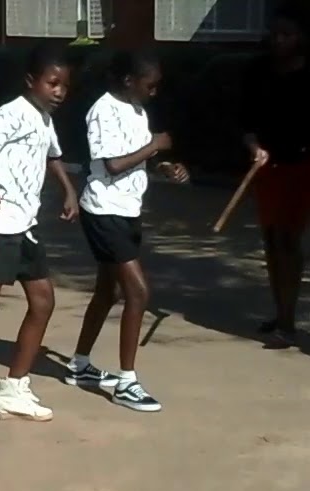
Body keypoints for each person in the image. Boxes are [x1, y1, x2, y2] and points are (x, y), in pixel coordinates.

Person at [0, 42, 78, 432]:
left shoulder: (43, 118)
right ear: (31, 81)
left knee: (42, 302)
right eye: (52, 83)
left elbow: (52, 155)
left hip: (25, 227)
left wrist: (68, 188)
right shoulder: (11, 114)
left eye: (64, 86)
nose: (59, 91)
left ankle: (13, 387)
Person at [68, 51, 188, 413]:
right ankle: (126, 382)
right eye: (149, 85)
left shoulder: (138, 110)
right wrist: (155, 144)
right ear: (127, 81)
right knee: (138, 292)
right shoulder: (102, 111)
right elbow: (112, 164)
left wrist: (165, 166)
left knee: (108, 291)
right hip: (104, 211)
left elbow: (135, 160)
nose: (154, 92)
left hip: (127, 209)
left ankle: (79, 364)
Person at [242, 4, 310, 346]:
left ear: (302, 38)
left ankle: (288, 318)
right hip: (267, 165)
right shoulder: (258, 70)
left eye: (287, 35)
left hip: (306, 164)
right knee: (270, 238)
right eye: (275, 34)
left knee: (289, 238)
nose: (279, 41)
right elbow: (244, 120)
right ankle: (280, 310)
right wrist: (253, 145)